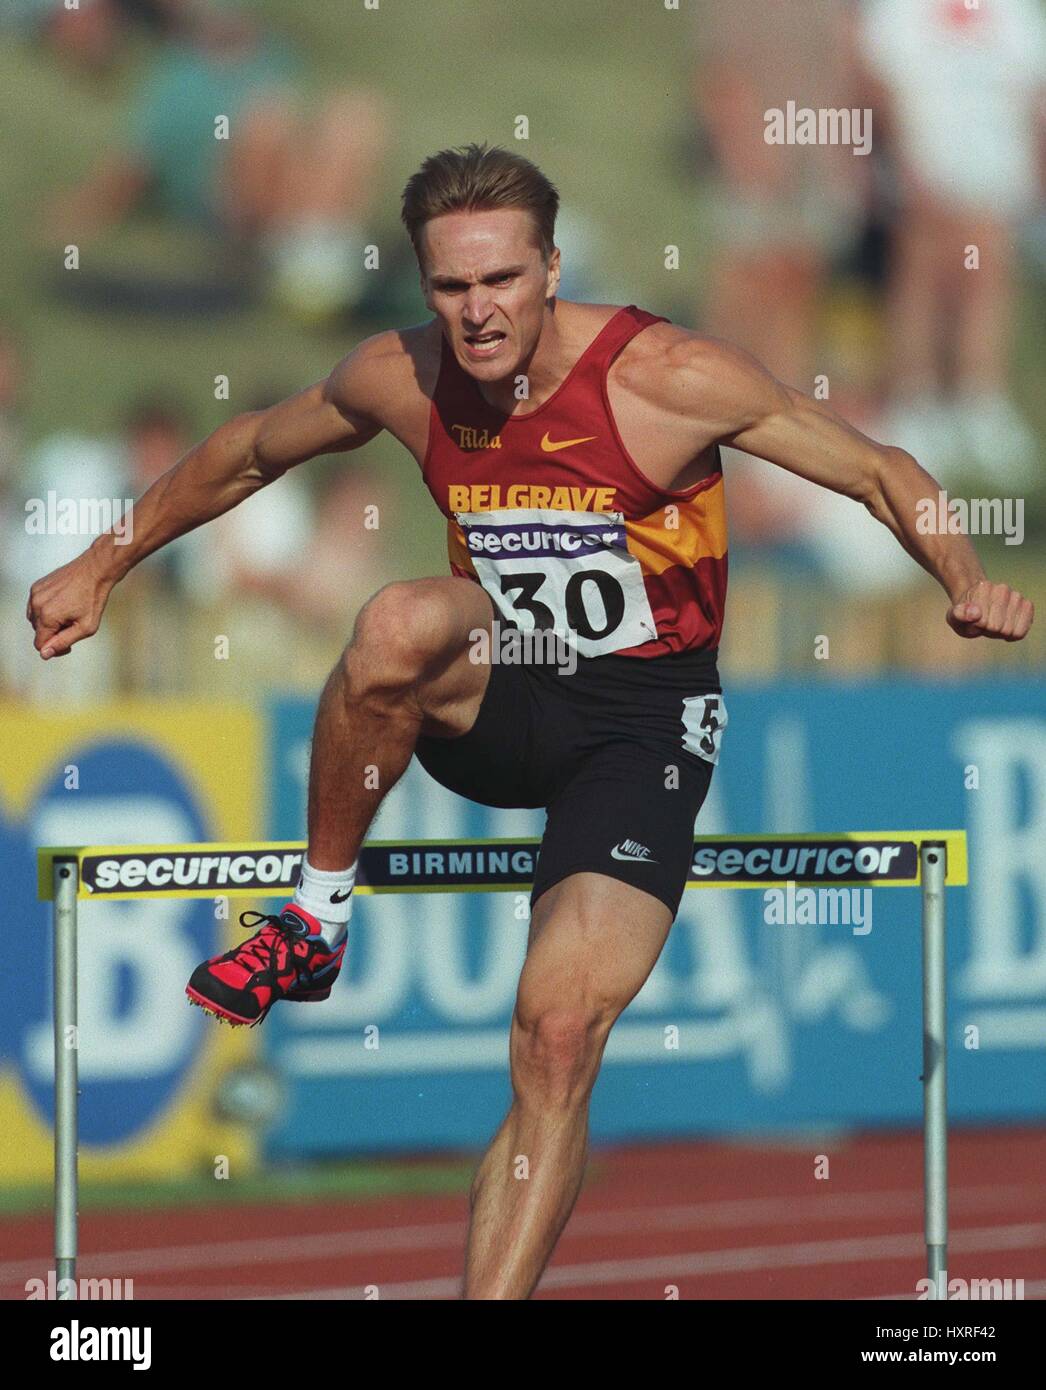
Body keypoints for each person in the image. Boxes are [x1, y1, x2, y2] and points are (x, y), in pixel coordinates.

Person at [27, 143, 1034, 1300]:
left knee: (553, 1039)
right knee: (398, 618)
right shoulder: (401, 376)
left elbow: (875, 470)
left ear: (551, 267)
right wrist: (103, 565)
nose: (476, 312)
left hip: (642, 726)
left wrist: (959, 577)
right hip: (502, 688)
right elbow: (244, 452)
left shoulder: (666, 374)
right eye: (450, 287)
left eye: (500, 280)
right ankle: (314, 917)